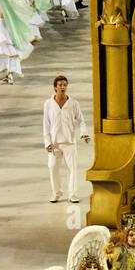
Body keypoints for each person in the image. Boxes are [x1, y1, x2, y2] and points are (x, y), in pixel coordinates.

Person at [43, 73, 90, 203]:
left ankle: (72, 194)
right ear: (55, 87)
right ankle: (56, 193)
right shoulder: (48, 104)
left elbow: (81, 120)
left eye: (64, 85)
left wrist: (84, 133)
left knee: (72, 168)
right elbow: (46, 124)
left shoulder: (73, 103)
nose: (62, 87)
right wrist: (47, 142)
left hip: (69, 142)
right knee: (52, 167)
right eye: (60, 85)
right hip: (54, 143)